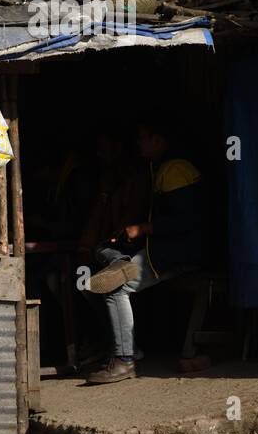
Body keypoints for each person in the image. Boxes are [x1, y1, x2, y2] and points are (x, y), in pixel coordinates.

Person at [83, 121, 206, 385]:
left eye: (143, 138)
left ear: (159, 140)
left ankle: (125, 359)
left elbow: (188, 222)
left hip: (178, 255)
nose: (138, 143)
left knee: (116, 288)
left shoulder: (175, 170)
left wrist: (144, 228)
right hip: (162, 251)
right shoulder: (159, 168)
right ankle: (120, 262)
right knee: (100, 259)